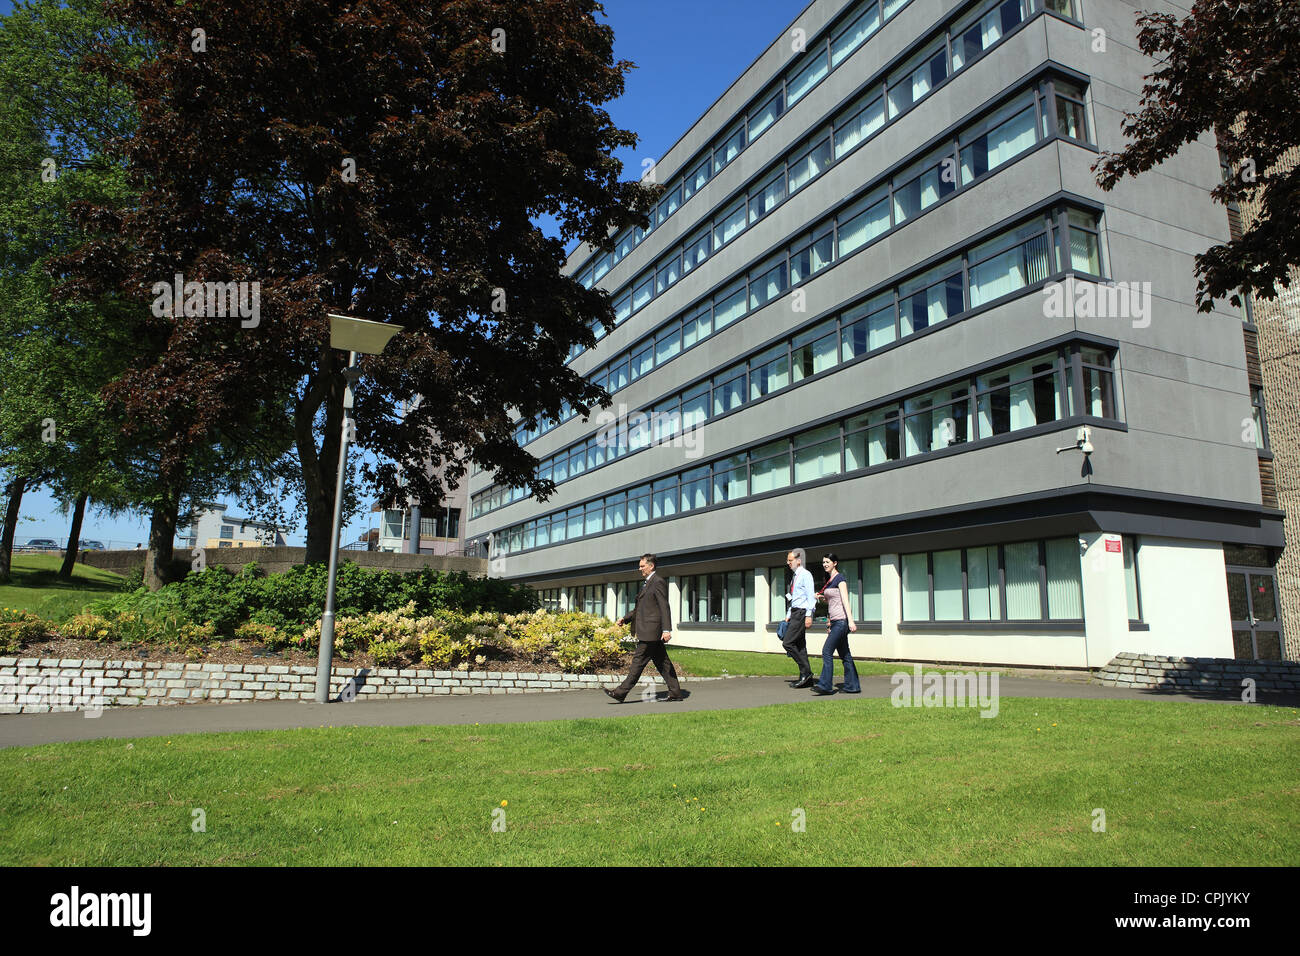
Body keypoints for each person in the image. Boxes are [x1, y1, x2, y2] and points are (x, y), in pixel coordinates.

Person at [605, 553, 684, 702]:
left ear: (651, 565)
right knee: (663, 662)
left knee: (638, 661)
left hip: (651, 631)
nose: (639, 568)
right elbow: (640, 608)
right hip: (649, 631)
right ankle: (675, 693)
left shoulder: (658, 581)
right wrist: (625, 618)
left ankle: (620, 692)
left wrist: (667, 630)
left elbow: (664, 607)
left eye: (642, 566)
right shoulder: (647, 583)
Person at [811, 553, 861, 695]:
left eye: (827, 562)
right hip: (834, 622)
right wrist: (822, 598)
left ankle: (826, 685)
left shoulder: (840, 579)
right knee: (845, 654)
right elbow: (833, 602)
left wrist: (851, 621)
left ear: (835, 563)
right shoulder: (829, 579)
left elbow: (845, 601)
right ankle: (853, 686)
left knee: (826, 651)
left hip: (842, 622)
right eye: (823, 562)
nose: (825, 564)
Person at [782, 548, 816, 688]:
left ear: (798, 560)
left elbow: (810, 596)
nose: (788, 563)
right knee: (800, 647)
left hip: (801, 613)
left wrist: (809, 615)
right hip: (795, 612)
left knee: (787, 643)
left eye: (790, 560)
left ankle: (806, 672)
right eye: (788, 560)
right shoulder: (795, 576)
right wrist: (788, 615)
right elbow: (794, 598)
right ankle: (806, 678)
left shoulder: (805, 575)